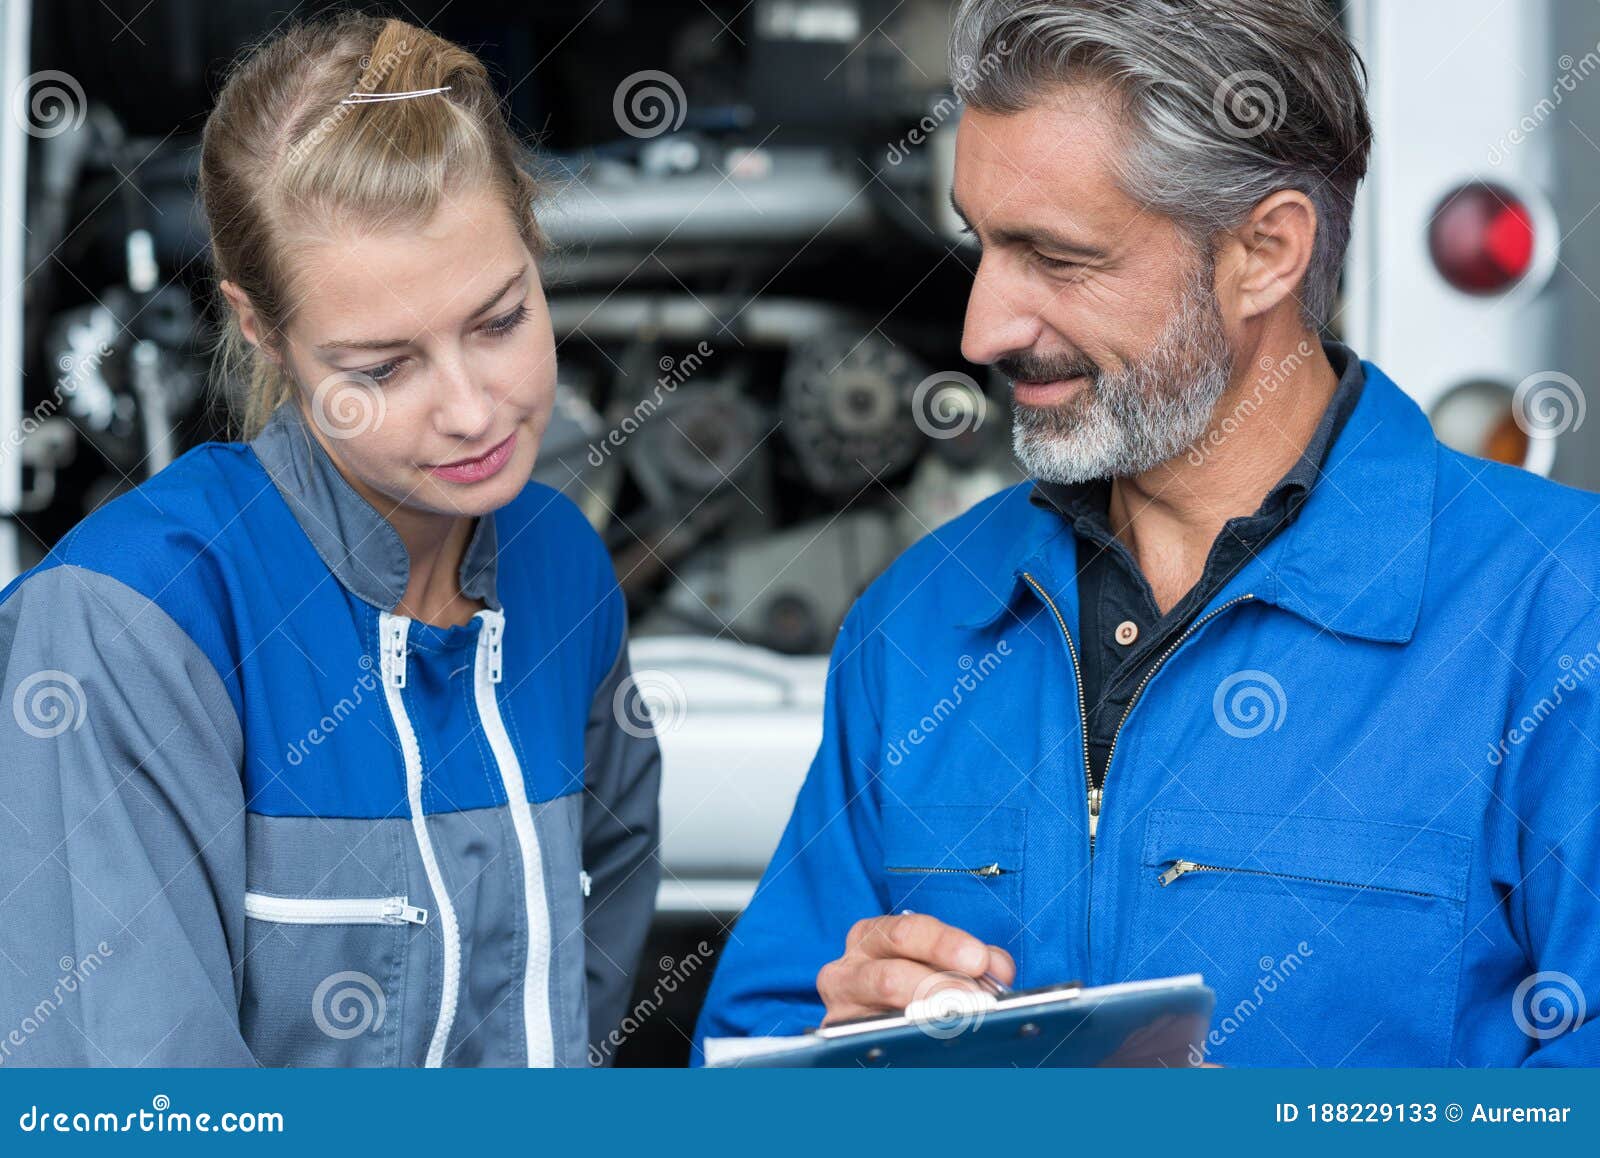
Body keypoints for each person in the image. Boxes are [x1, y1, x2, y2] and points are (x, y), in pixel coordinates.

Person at [695, 0, 1600, 1066]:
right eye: (982, 243)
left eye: (1057, 258)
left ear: (1264, 252)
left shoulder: (1558, 614)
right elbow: (744, 1057)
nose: (982, 329)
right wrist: (836, 1060)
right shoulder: (920, 616)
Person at [0, 13, 660, 1067]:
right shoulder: (125, 630)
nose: (471, 411)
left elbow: (585, 1007)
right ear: (260, 328)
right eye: (382, 368)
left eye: (499, 320)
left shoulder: (561, 566)